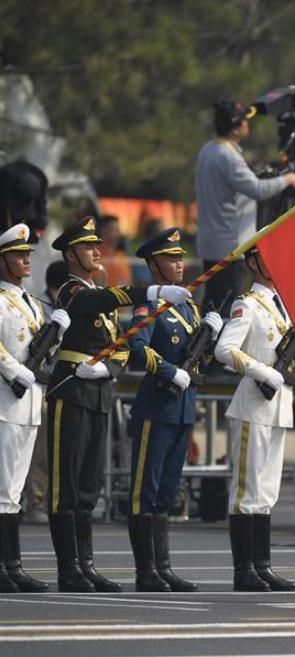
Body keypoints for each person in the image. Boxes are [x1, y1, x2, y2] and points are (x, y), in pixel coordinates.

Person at [47, 215, 192, 593]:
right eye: (88, 246)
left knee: (90, 486)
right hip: (71, 391)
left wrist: (108, 369)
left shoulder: (102, 292)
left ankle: (86, 566)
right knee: (68, 484)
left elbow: (122, 345)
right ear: (71, 254)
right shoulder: (71, 290)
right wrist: (150, 293)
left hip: (97, 393)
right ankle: (69, 569)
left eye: (98, 245)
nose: (98, 251)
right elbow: (93, 303)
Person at [125, 228, 223, 591]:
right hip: (156, 406)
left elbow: (200, 362)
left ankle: (162, 567)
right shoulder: (150, 305)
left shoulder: (188, 305)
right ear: (153, 265)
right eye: (171, 258)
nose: (179, 264)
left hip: (183, 408)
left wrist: (211, 337)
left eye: (181, 257)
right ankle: (145, 571)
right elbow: (137, 346)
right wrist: (170, 371)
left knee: (167, 491)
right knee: (145, 490)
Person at [213, 246, 295, 592]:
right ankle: (243, 569)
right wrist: (262, 371)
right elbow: (224, 349)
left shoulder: (285, 306)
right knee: (247, 491)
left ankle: (262, 566)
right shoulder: (246, 304)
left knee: (266, 492)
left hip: (279, 405)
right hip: (253, 404)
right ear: (253, 262)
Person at [0, 224, 69, 593]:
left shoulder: (34, 303)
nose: (26, 260)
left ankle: (13, 567)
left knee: (13, 491)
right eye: (18, 254)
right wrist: (16, 372)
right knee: (2, 490)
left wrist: (56, 335)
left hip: (28, 404)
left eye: (27, 254)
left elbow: (43, 354)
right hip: (5, 403)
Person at [194, 99, 295, 315]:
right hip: (230, 245)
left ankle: (205, 347)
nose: (248, 125)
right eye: (245, 121)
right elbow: (257, 189)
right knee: (226, 308)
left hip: (210, 242)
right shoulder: (228, 156)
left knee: (213, 306)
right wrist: (289, 179)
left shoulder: (208, 149)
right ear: (237, 127)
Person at [23, 261, 70, 524]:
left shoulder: (61, 308)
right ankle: (36, 501)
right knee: (40, 450)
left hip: (57, 385)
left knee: (54, 448)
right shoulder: (40, 306)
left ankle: (49, 499)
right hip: (37, 386)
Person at [95, 215, 132, 287]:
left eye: (118, 230)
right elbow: (98, 282)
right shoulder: (95, 255)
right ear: (102, 231)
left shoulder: (122, 255)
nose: (118, 233)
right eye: (114, 229)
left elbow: (127, 282)